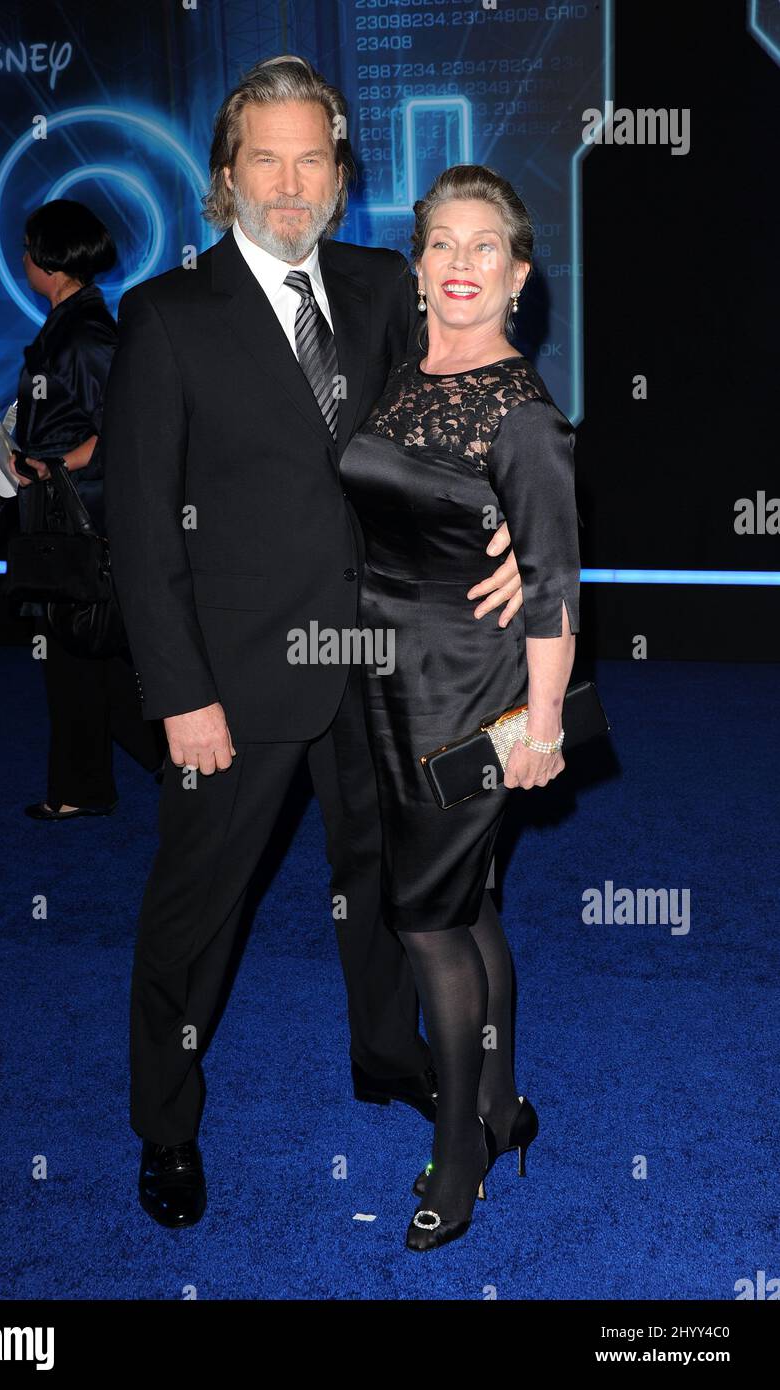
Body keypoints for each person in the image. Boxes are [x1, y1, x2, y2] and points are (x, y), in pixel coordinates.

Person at [102, 57, 525, 1229]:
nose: (289, 186)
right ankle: (166, 1124)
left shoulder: (386, 285)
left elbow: (461, 420)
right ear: (225, 177)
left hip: (383, 666)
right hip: (234, 684)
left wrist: (514, 531)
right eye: (264, 161)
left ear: (342, 177)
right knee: (197, 910)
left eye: (312, 161)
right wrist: (180, 693)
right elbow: (140, 529)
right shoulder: (167, 317)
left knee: (389, 883)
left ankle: (389, 1055)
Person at [339, 164, 581, 1251]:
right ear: (419, 265)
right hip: (388, 675)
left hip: (468, 688)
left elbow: (558, 581)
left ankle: (460, 1153)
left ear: (520, 276)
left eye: (487, 247)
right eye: (443, 243)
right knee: (466, 900)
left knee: (424, 919)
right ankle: (502, 1103)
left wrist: (542, 725)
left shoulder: (522, 413)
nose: (463, 264)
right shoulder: (403, 369)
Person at [10, 199, 166, 820]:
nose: (21, 258)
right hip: (66, 516)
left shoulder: (85, 335)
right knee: (82, 654)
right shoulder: (71, 327)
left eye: (29, 247)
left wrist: (51, 465)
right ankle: (114, 779)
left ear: (50, 260)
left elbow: (120, 430)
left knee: (80, 651)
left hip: (83, 522)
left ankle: (107, 782)